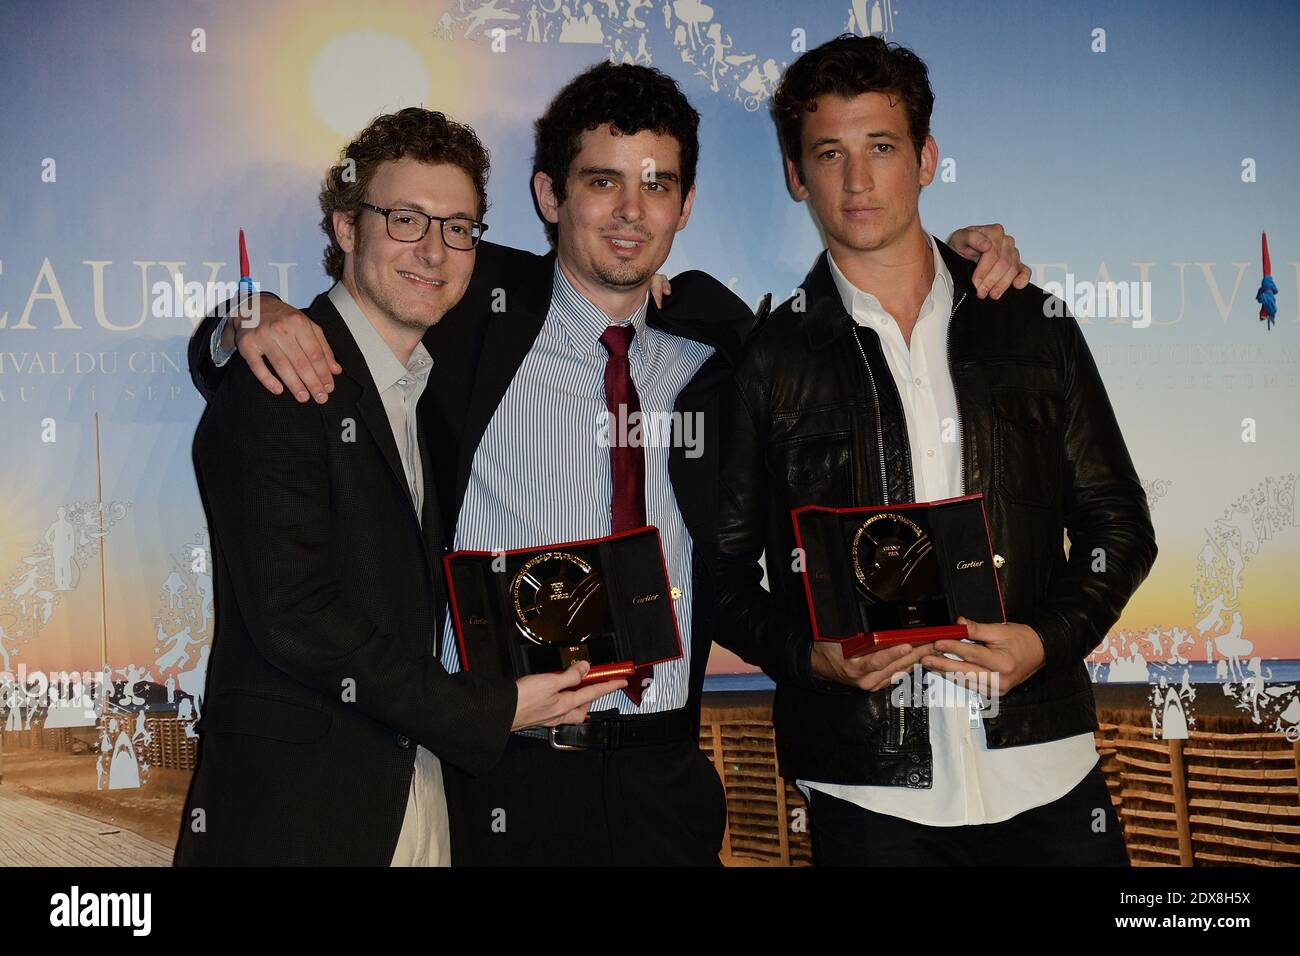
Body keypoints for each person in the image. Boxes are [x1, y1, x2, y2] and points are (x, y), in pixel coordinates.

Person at [190, 62, 1028, 865]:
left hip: (663, 777)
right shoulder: (468, 305)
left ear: (685, 205)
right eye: (602, 181)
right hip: (497, 769)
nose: (631, 211)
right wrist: (245, 319)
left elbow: (834, 369)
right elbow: (337, 334)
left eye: (657, 185)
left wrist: (951, 261)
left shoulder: (718, 347)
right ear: (549, 196)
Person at [714, 35, 1157, 866]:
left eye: (881, 148)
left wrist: (1044, 640)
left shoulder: (1032, 323)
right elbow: (722, 576)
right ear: (795, 175)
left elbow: (1120, 526)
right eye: (829, 154)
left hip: (1047, 772)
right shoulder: (766, 361)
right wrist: (810, 656)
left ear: (926, 159)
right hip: (866, 795)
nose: (857, 181)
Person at [176, 109, 621, 867]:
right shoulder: (285, 378)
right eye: (406, 219)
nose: (434, 250)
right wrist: (491, 709)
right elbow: (295, 617)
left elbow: (598, 274)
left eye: (459, 228)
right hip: (301, 821)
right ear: (347, 227)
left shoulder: (429, 385)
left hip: (421, 800)